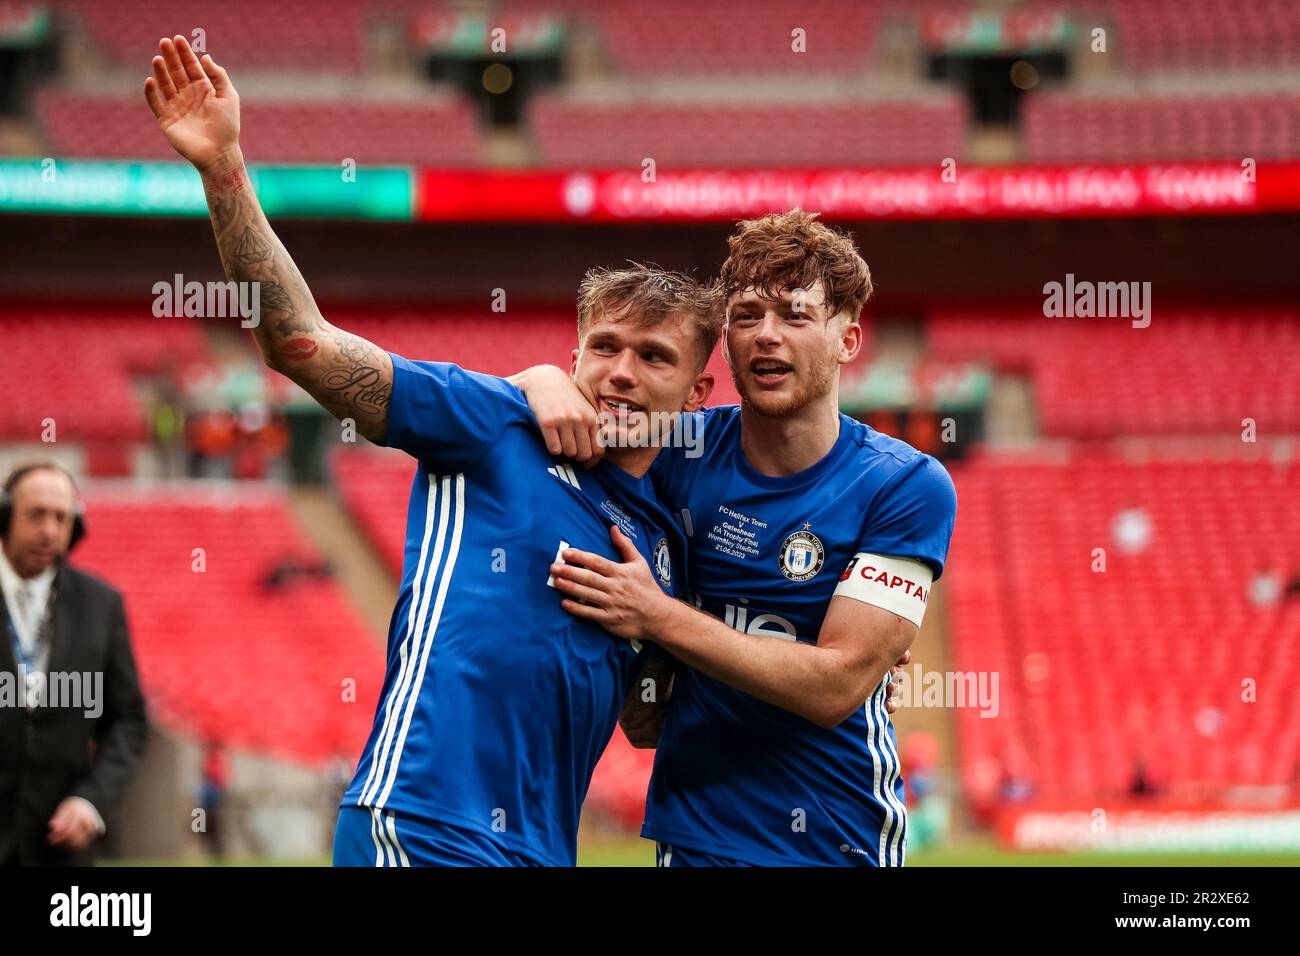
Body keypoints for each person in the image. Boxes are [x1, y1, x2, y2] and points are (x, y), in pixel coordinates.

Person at [144, 34, 727, 865]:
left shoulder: (665, 546)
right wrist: (224, 167)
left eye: (655, 357)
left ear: (699, 394)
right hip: (419, 826)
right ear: (572, 359)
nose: (621, 374)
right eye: (604, 348)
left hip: (541, 852)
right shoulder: (492, 421)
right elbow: (296, 342)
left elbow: (646, 722)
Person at [520, 210, 957, 866]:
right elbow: (566, 410)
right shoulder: (680, 449)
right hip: (693, 835)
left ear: (848, 339)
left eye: (795, 315)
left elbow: (836, 687)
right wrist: (541, 378)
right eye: (747, 315)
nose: (766, 336)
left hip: (837, 839)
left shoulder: (905, 486)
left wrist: (660, 617)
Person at [0, 462, 147, 865]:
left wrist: (92, 801)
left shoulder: (103, 605)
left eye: (61, 517)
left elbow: (128, 720)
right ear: (4, 515)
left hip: (60, 853)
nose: (49, 530)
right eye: (36, 514)